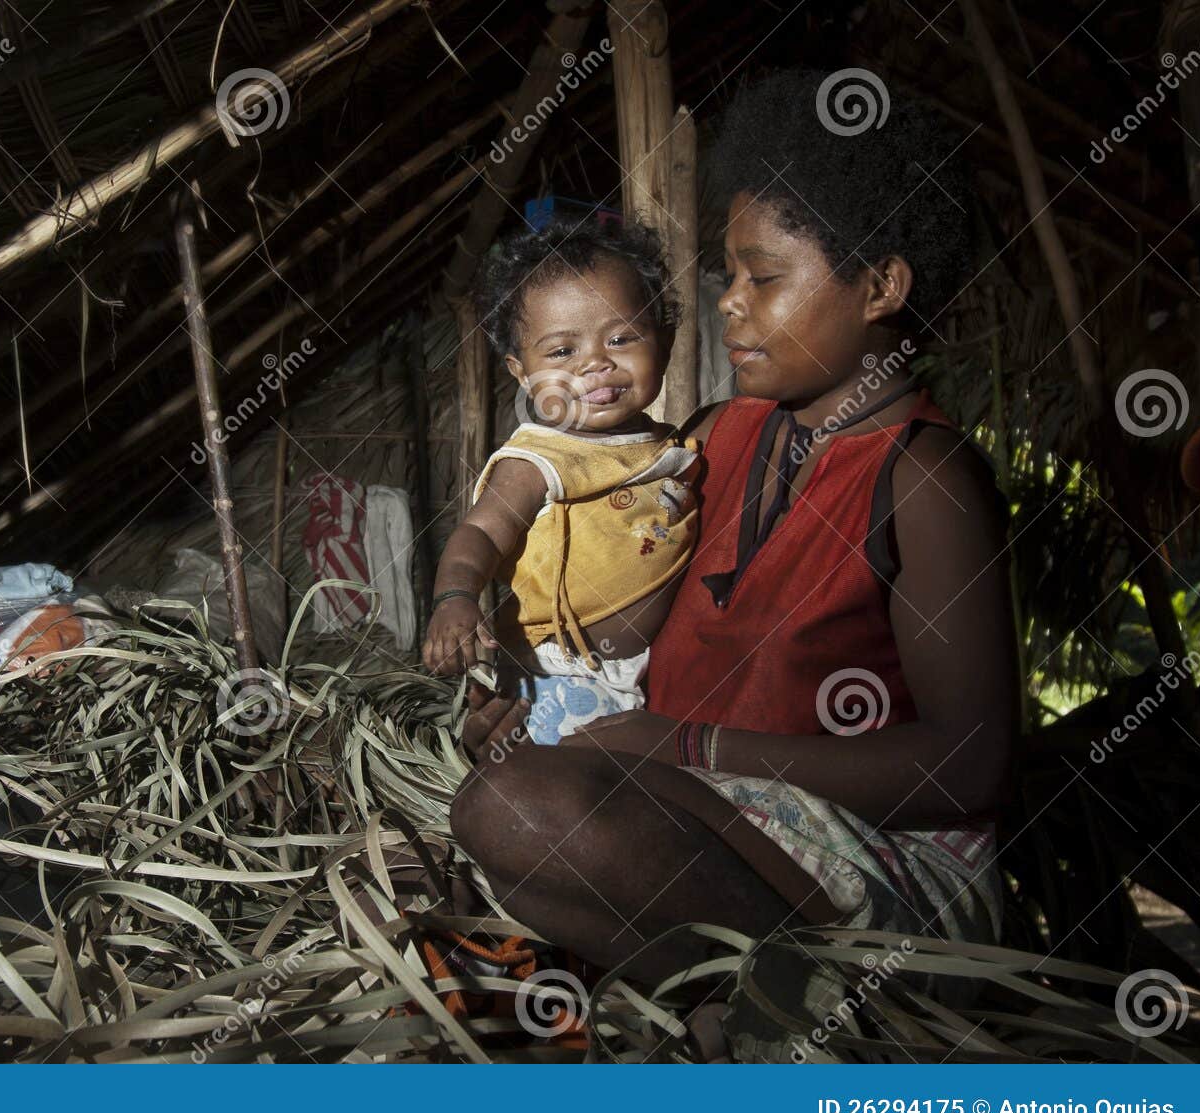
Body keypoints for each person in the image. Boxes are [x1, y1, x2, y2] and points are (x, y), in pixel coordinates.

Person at [449, 71, 1019, 1050]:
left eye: (764, 278)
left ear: (880, 286)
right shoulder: (715, 438)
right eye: (727, 277)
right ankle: (719, 1010)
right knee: (478, 843)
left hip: (884, 872)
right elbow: (631, 603)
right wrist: (523, 683)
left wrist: (685, 749)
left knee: (518, 812)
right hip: (700, 815)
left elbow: (971, 763)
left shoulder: (924, 479)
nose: (730, 305)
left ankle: (795, 1018)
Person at [421, 216, 701, 744]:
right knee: (578, 780)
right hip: (559, 674)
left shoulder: (669, 446)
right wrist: (455, 596)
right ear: (522, 373)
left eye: (621, 337)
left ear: (663, 343)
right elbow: (480, 533)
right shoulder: (538, 458)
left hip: (649, 674)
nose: (596, 363)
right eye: (562, 352)